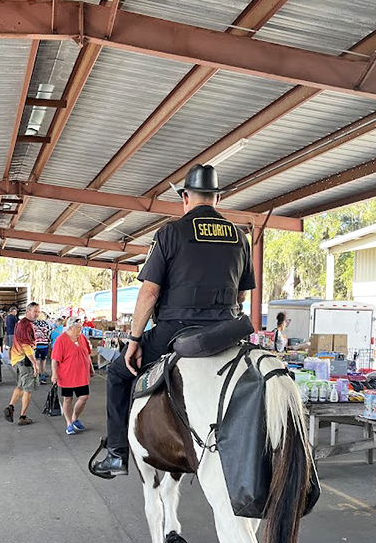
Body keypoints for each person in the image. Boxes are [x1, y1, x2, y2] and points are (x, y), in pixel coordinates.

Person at [91, 164, 255, 477]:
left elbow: (149, 294)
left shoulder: (170, 233)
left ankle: (116, 452)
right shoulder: (239, 236)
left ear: (185, 198)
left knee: (116, 373)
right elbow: (241, 299)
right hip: (225, 333)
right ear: (217, 198)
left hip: (174, 332)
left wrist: (135, 341)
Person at [51, 317, 94, 435]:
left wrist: (91, 368)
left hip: (82, 375)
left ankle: (74, 418)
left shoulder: (82, 338)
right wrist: (54, 374)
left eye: (81, 327)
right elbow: (55, 360)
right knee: (67, 399)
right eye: (79, 328)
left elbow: (88, 354)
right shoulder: (61, 340)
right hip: (67, 375)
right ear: (71, 328)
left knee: (84, 397)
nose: (81, 329)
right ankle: (69, 423)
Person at [4, 302, 40, 426]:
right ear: (28, 311)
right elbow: (26, 345)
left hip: (17, 359)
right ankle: (22, 416)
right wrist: (35, 363)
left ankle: (11, 406)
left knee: (20, 385)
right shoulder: (25, 325)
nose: (37, 314)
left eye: (38, 311)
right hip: (24, 361)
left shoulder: (21, 323)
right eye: (35, 311)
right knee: (27, 389)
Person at [34, 311, 52, 384]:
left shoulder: (33, 324)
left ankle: (37, 376)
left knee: (37, 361)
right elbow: (49, 334)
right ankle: (43, 376)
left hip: (36, 345)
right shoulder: (46, 324)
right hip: (44, 345)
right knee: (43, 360)